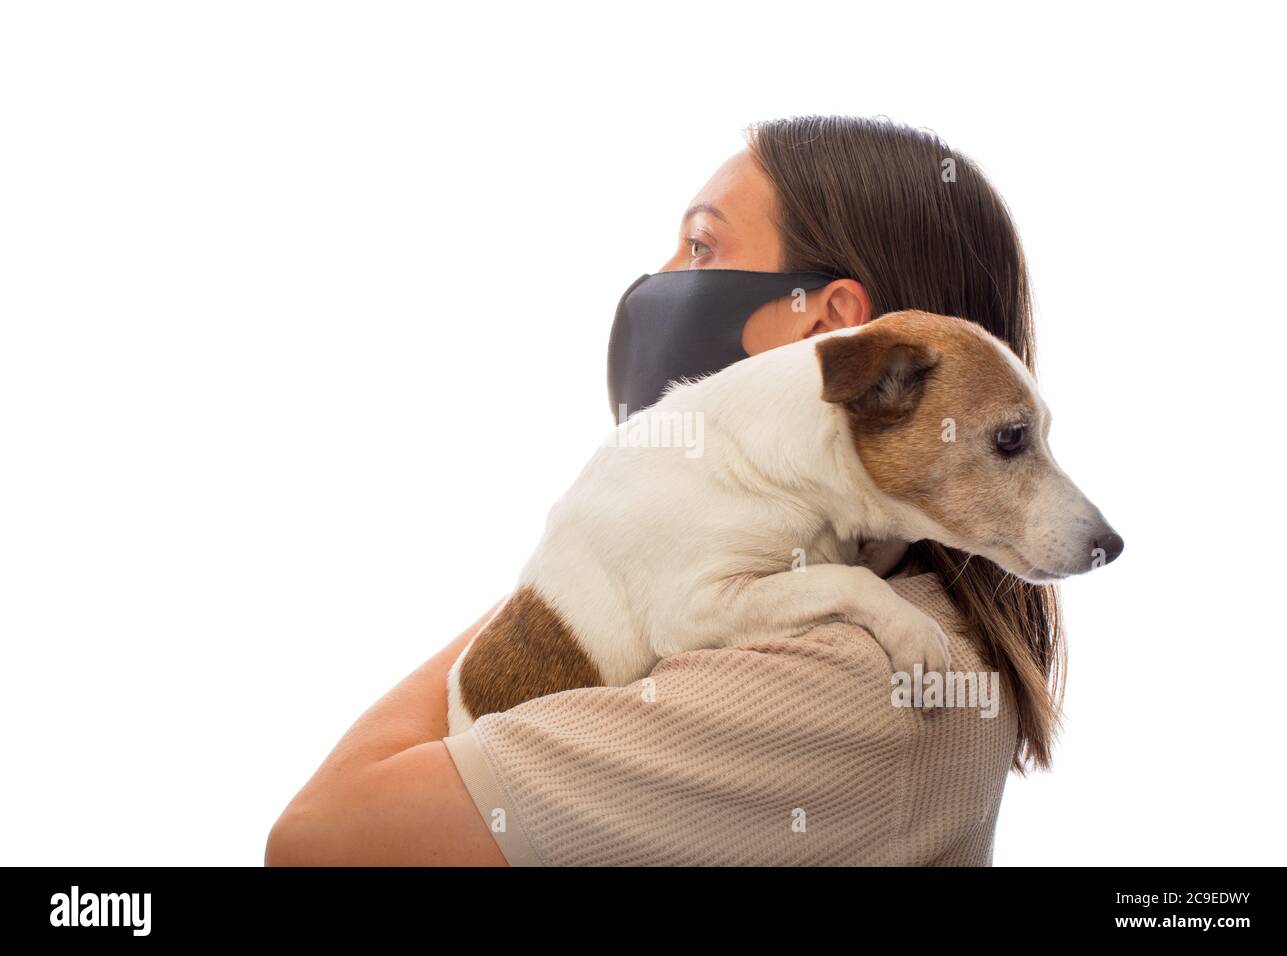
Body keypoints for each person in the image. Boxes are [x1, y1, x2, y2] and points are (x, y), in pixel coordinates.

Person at [264, 115, 1063, 866]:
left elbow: (322, 839)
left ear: (827, 328)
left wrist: (604, 549)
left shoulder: (861, 671)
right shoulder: (832, 594)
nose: (659, 281)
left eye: (700, 246)